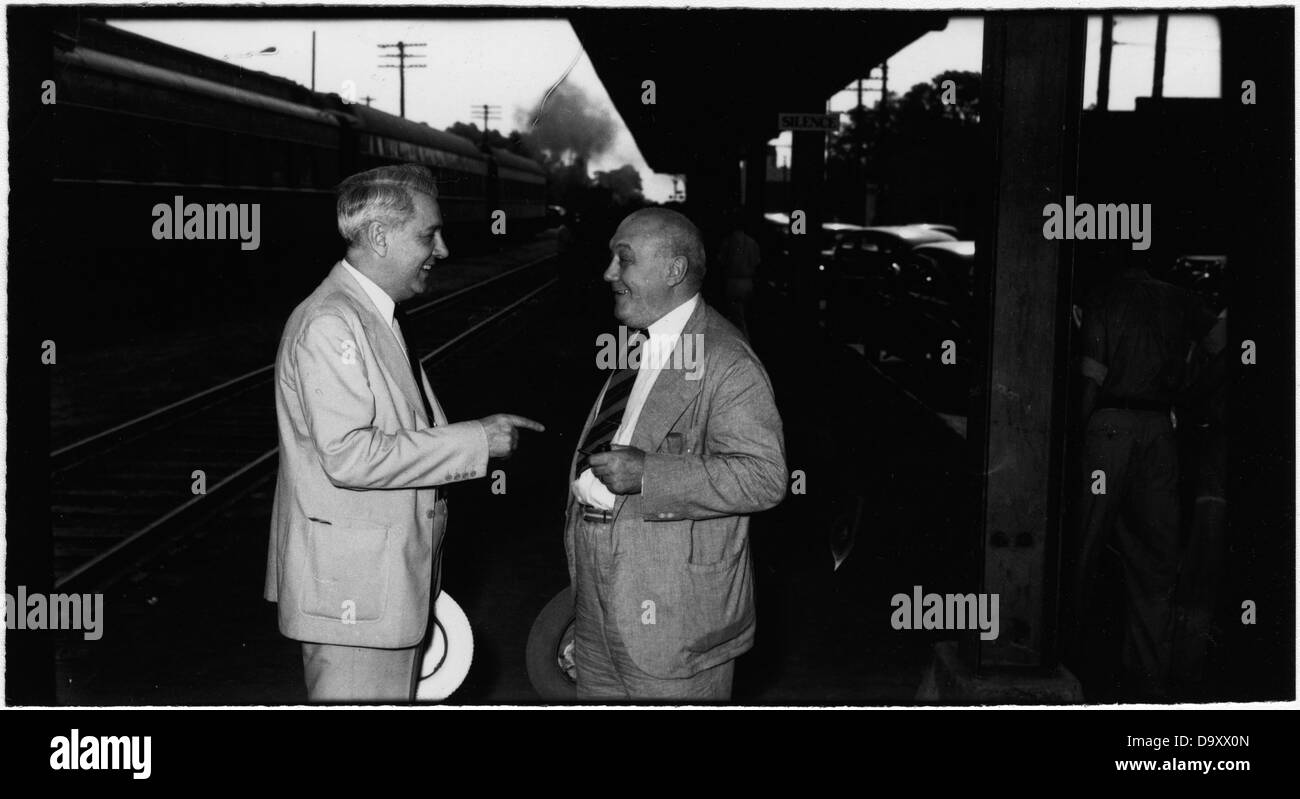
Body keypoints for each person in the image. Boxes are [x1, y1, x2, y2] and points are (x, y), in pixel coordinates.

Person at [264, 164, 543, 702]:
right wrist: (477, 440)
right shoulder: (331, 323)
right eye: (428, 234)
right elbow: (349, 457)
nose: (441, 249)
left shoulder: (373, 316)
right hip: (355, 593)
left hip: (382, 585)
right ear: (378, 236)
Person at [563, 207, 787, 701]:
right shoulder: (638, 346)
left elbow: (766, 477)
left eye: (624, 260)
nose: (609, 274)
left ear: (674, 271)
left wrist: (649, 475)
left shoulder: (728, 361)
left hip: (674, 621)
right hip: (599, 602)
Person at [1070, 250, 1221, 700]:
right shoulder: (1179, 300)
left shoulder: (1105, 298)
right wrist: (1193, 389)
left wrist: (1076, 438)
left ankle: (1065, 652)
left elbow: (1092, 375)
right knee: (1156, 558)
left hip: (1109, 425)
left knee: (1085, 542)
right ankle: (1148, 670)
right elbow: (1221, 340)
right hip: (1160, 427)